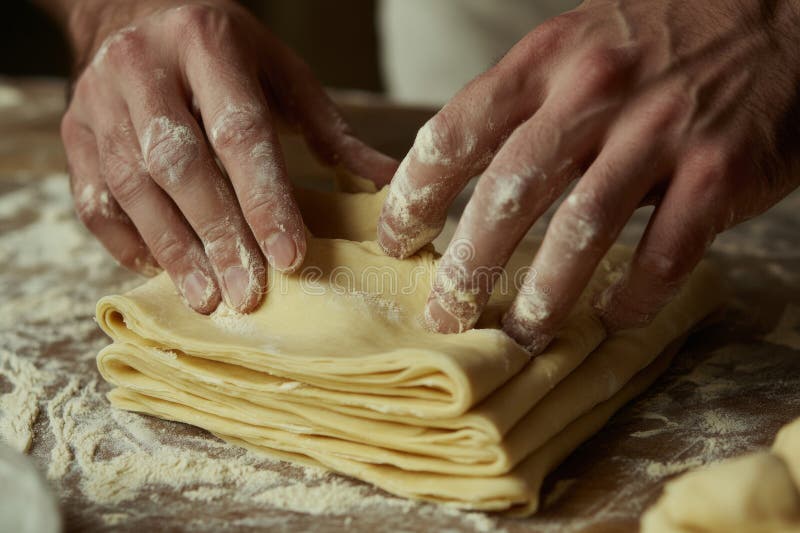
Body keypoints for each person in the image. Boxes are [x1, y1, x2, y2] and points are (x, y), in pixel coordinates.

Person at [34, 0, 800, 354]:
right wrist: (114, 11)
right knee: (484, 217)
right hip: (484, 34)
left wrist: (776, 23)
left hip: (760, 82)